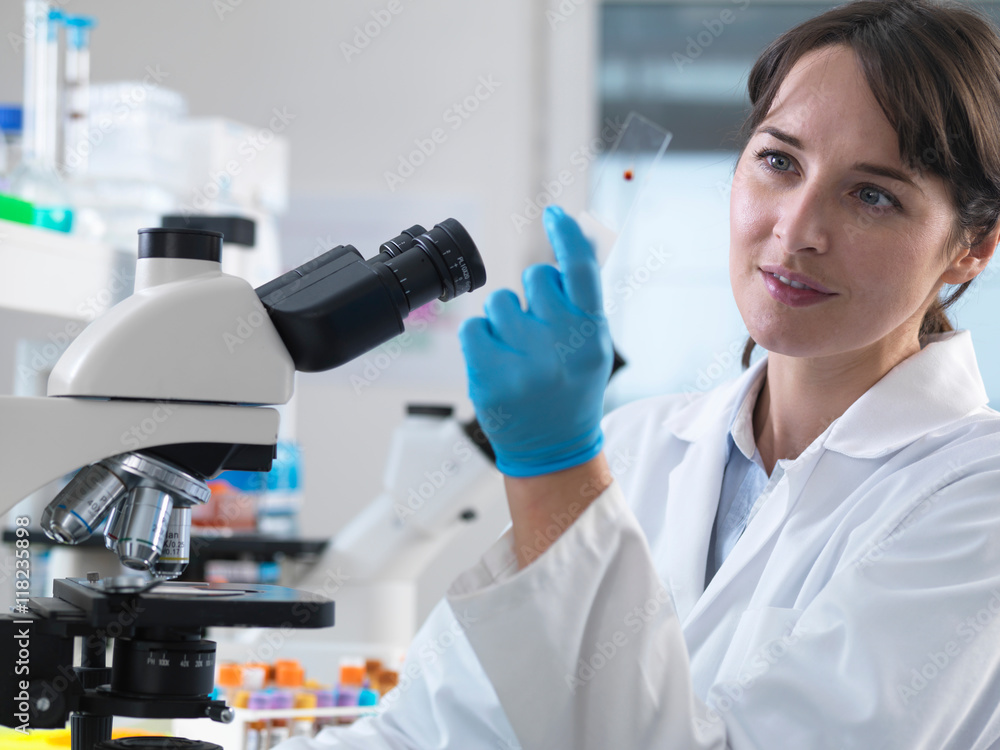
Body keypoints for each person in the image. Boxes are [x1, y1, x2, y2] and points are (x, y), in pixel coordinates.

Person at [283, 0, 1000, 747]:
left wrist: (555, 471)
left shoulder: (977, 500)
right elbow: (432, 729)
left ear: (971, 247)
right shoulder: (635, 446)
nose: (796, 230)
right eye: (779, 161)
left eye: (873, 195)